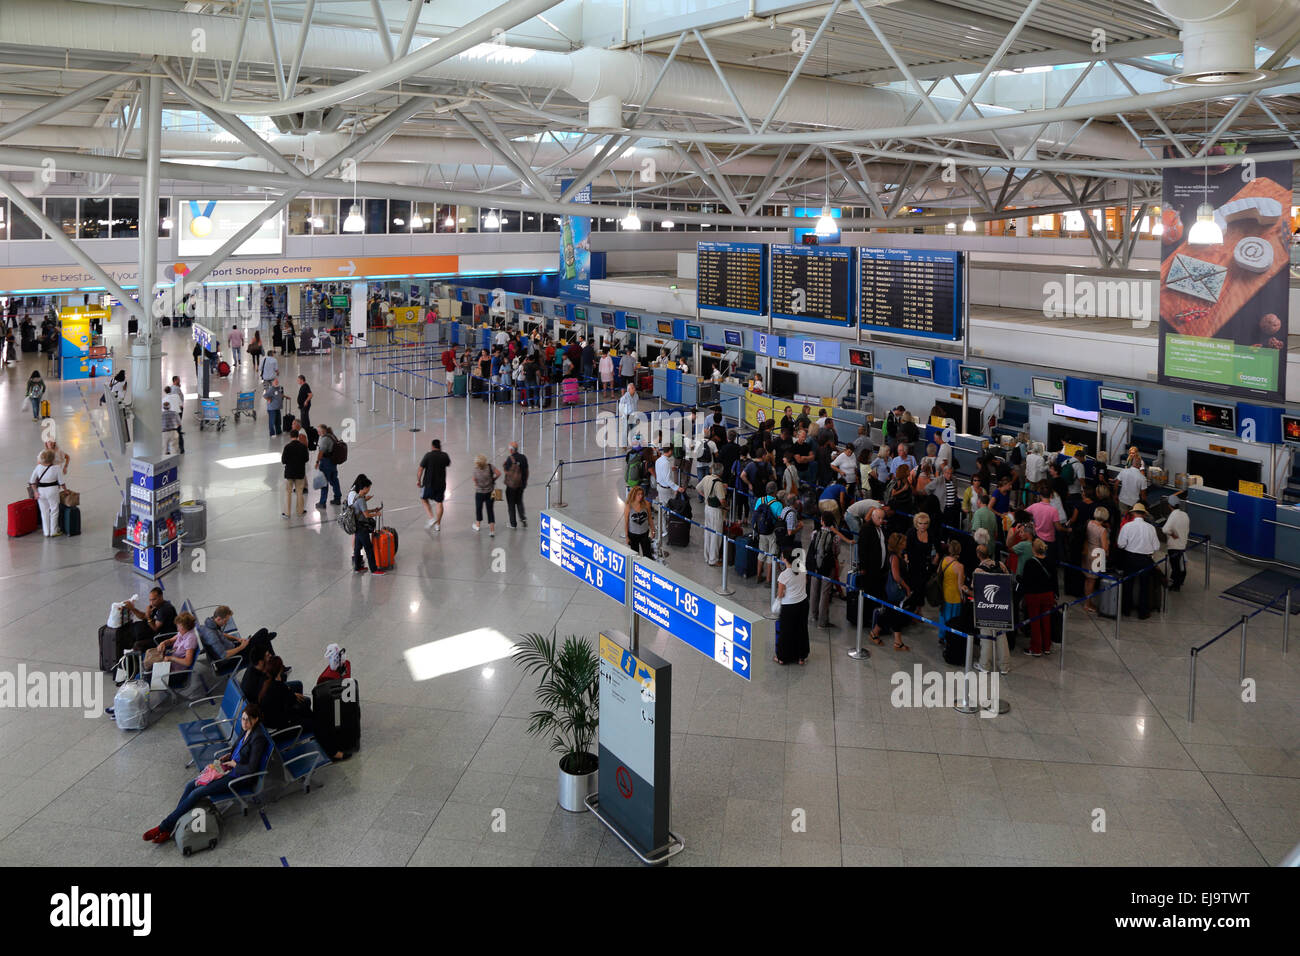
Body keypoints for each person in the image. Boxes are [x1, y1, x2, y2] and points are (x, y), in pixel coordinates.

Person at [143, 705, 269, 844]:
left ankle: (164, 827)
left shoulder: (258, 738)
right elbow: (238, 750)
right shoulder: (245, 730)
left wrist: (234, 764)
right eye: (243, 719)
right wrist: (229, 756)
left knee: (197, 793)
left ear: (256, 719)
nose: (244, 723)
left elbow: (251, 768)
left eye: (248, 720)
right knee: (191, 785)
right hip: (227, 767)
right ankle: (169, 826)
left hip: (237, 776)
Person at [258, 656, 347, 761]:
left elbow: (287, 697)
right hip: (281, 728)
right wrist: (289, 691)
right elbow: (289, 699)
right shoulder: (279, 688)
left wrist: (290, 692)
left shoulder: (267, 683)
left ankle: (325, 734)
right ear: (279, 670)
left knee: (306, 709)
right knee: (314, 723)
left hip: (274, 721)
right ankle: (333, 753)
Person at [867, 532, 911, 651]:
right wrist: (907, 587)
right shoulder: (894, 557)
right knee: (894, 613)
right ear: (898, 545)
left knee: (891, 612)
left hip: (893, 591)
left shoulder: (898, 555)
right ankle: (895, 641)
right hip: (894, 591)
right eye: (903, 542)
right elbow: (896, 576)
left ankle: (879, 634)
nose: (905, 544)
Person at [807, 513, 851, 628]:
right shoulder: (835, 537)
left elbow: (813, 547)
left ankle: (813, 615)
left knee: (814, 591)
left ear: (822, 521)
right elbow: (836, 552)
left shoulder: (815, 533)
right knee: (825, 593)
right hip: (828, 567)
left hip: (815, 566)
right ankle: (822, 621)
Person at [1117, 502, 1159, 619]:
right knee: (1144, 586)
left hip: (1130, 558)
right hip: (1146, 559)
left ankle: (1126, 609)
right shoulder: (1151, 528)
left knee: (1128, 584)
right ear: (1144, 514)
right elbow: (1156, 546)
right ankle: (1143, 612)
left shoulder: (1127, 526)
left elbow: (1121, 544)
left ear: (1134, 513)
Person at [973, 546, 1011, 675]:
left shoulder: (978, 570)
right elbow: (1008, 580)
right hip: (1001, 606)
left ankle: (984, 665)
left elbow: (974, 589)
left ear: (978, 555)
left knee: (986, 636)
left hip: (986, 607)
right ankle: (1004, 666)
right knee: (1001, 634)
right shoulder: (1000, 564)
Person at [1022, 538, 1057, 656]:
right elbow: (1055, 580)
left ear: (1033, 549)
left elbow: (1026, 581)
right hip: (1048, 595)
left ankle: (1036, 648)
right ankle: (1046, 647)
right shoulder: (1051, 561)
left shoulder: (1029, 563)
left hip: (1034, 596)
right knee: (1046, 621)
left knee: (1035, 622)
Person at [774, 550, 809, 665]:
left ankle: (782, 657)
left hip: (789, 607)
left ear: (784, 559)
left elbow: (780, 595)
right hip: (803, 603)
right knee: (801, 629)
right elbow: (805, 582)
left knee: (786, 632)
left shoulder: (783, 575)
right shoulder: (802, 569)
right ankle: (801, 657)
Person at [140, 610, 199, 676]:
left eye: (178, 626)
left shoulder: (190, 640)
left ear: (183, 627)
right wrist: (164, 643)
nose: (177, 629)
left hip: (176, 671)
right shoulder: (183, 632)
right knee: (148, 660)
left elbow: (188, 662)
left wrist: (171, 658)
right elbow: (171, 640)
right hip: (170, 660)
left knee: (146, 672)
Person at [348, 474, 383, 574]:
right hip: (362, 526)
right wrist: (376, 513)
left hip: (357, 525)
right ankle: (374, 569)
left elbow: (362, 511)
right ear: (365, 488)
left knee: (357, 547)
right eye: (369, 488)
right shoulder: (361, 499)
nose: (369, 490)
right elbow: (366, 515)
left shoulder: (356, 497)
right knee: (369, 548)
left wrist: (374, 509)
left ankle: (357, 567)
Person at [28, 449, 67, 537]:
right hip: (52, 491)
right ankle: (54, 531)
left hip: (41, 492)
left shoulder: (38, 467)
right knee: (54, 510)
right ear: (53, 459)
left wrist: (35, 492)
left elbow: (32, 481)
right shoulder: (57, 468)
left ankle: (46, 532)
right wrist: (66, 490)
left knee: (44, 511)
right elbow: (61, 482)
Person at [938, 538, 967, 648]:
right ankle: (949, 638)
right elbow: (960, 586)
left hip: (944, 593)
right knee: (953, 618)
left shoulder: (944, 560)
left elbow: (938, 574)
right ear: (959, 551)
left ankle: (941, 636)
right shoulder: (959, 566)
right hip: (954, 596)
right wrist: (964, 596)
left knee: (943, 616)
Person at [697, 464, 727, 567]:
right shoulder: (718, 483)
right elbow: (722, 500)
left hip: (707, 508)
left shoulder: (706, 478)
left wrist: (705, 496)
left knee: (708, 532)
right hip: (715, 511)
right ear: (721, 472)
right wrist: (726, 507)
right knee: (716, 535)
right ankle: (713, 559)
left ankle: (707, 556)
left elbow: (698, 488)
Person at [1082, 506, 1111, 614]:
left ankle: (1087, 601)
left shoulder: (1089, 523)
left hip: (1087, 551)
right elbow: (1104, 547)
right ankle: (1088, 604)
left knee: (1087, 579)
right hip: (1096, 555)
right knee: (1092, 580)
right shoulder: (1102, 530)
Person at [417, 438, 451, 530]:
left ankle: (431, 518)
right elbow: (448, 463)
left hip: (428, 484)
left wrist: (418, 480)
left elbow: (420, 469)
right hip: (441, 485)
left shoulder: (428, 455)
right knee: (439, 503)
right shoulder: (445, 456)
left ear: (432, 446)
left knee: (423, 499)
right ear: (440, 446)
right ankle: (438, 525)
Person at [752, 483, 782, 585]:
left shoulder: (760, 500)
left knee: (761, 553)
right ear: (775, 491)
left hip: (761, 531)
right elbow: (780, 519)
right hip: (772, 532)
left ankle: (758, 576)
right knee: (771, 555)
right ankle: (769, 580)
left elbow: (755, 513)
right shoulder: (778, 504)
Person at [281, 428, 309, 518]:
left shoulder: (287, 447)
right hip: (300, 472)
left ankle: (287, 513)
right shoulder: (303, 447)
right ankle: (300, 511)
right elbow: (306, 459)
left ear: (290, 436)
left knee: (288, 493)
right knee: (299, 492)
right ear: (298, 436)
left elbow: (283, 460)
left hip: (289, 473)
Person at [1163, 495, 1189, 591]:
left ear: (1170, 505)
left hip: (1174, 546)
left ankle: (1176, 586)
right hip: (1182, 544)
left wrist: (1172, 533)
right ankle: (1179, 581)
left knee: (1175, 566)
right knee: (1180, 565)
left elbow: (1165, 529)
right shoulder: (1185, 515)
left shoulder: (1173, 515)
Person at [472, 454, 501, 536]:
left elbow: (475, 481)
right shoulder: (490, 466)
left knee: (478, 509)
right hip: (490, 492)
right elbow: (499, 473)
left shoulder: (475, 470)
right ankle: (492, 530)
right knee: (490, 510)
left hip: (479, 493)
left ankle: (477, 525)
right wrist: (493, 479)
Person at [314, 425, 342, 509]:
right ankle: (337, 498)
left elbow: (321, 452)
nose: (318, 432)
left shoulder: (325, 439)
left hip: (326, 463)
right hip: (332, 463)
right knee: (334, 481)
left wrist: (317, 462)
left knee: (324, 483)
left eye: (319, 430)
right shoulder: (332, 436)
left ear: (323, 431)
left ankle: (322, 503)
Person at [503, 441, 529, 529]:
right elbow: (527, 471)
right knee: (519, 501)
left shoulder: (509, 459)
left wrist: (504, 466)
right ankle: (523, 518)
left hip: (511, 487)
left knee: (511, 504)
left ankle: (513, 524)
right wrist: (525, 482)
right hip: (521, 484)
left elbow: (507, 472)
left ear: (511, 450)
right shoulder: (523, 457)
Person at [624, 485, 655, 558]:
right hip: (633, 535)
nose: (640, 496)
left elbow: (650, 518)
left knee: (647, 555)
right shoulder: (628, 506)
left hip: (644, 533)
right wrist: (627, 537)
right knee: (635, 556)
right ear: (634, 495)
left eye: (641, 494)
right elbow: (626, 523)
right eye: (638, 494)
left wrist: (653, 531)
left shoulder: (646, 504)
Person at [617, 382, 639, 448]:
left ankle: (633, 444)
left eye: (634, 387)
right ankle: (624, 445)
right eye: (632, 388)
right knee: (625, 431)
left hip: (633, 416)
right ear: (628, 390)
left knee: (633, 431)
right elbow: (620, 408)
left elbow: (636, 404)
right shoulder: (624, 398)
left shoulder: (636, 395)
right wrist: (625, 414)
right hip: (626, 416)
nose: (634, 389)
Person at [161, 390, 182, 455]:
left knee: (165, 449)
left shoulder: (161, 414)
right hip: (173, 432)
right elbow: (179, 423)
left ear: (163, 407)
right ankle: (174, 462)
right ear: (170, 406)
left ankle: (165, 461)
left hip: (164, 433)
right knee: (174, 449)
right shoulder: (174, 413)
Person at [296, 376, 314, 443]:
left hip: (305, 406)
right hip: (302, 406)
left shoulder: (305, 386)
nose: (297, 381)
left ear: (302, 380)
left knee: (304, 420)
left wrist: (306, 401)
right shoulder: (303, 386)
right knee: (304, 419)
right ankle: (306, 432)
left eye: (298, 380)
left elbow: (310, 395)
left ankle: (306, 433)